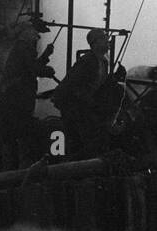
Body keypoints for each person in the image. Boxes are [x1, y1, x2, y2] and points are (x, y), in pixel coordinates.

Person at [0, 19, 55, 168]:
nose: (37, 37)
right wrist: (47, 70)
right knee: (21, 134)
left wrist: (46, 55)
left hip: (11, 99)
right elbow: (33, 69)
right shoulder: (24, 48)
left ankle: (10, 171)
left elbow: (30, 68)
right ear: (26, 32)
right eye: (35, 33)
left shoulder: (20, 48)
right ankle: (18, 171)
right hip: (16, 100)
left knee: (11, 136)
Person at [48, 28, 115, 159]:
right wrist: (91, 103)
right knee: (81, 136)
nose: (108, 42)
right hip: (71, 104)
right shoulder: (88, 61)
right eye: (104, 39)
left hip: (81, 103)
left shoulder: (102, 61)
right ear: (95, 43)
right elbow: (74, 86)